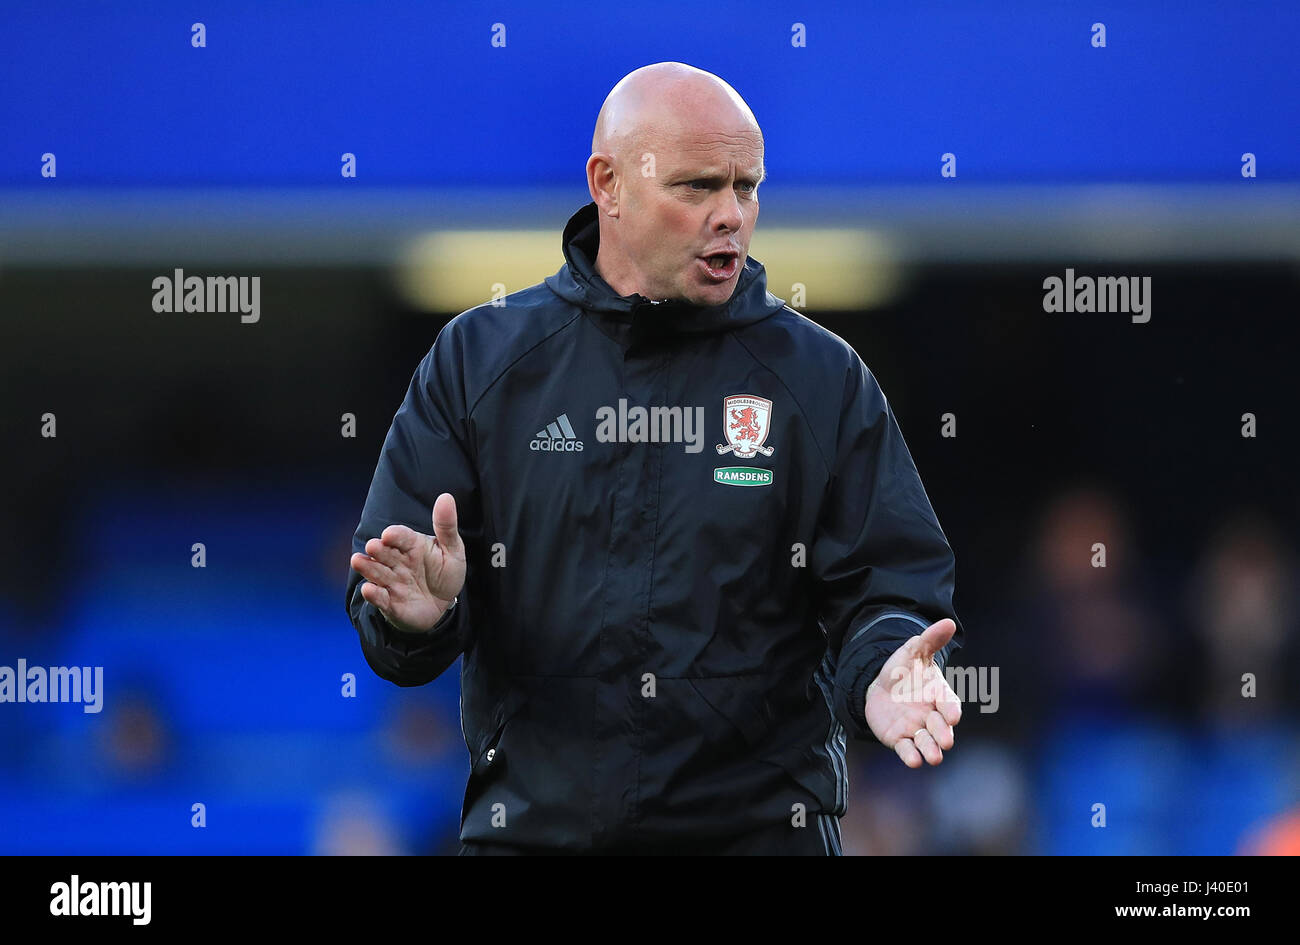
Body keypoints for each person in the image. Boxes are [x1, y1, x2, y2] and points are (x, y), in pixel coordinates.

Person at [345, 61, 965, 855]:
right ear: (608, 182)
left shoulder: (821, 379)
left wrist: (884, 666)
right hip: (535, 836)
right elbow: (391, 596)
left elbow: (888, 584)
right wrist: (418, 618)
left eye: (747, 187)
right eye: (699, 187)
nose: (731, 216)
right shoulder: (481, 362)